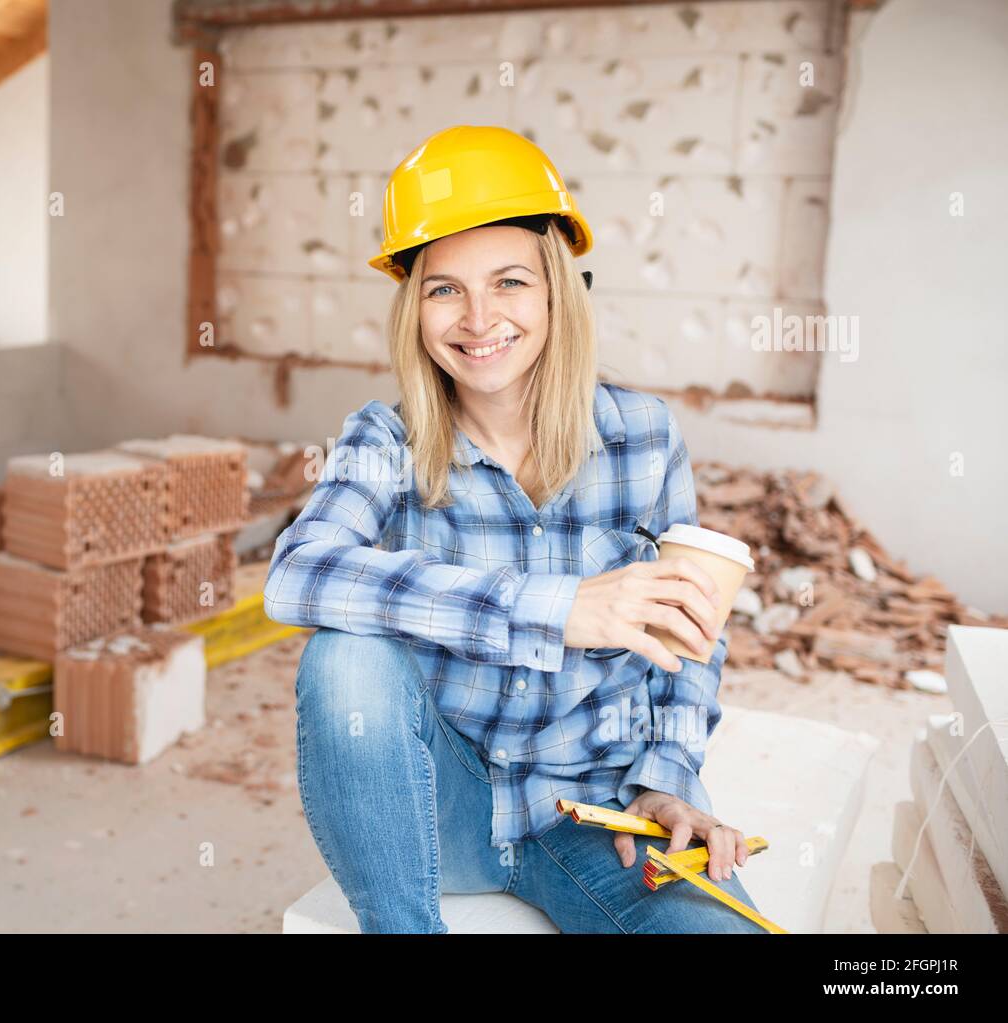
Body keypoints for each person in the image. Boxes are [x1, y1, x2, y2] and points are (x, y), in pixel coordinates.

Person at [263, 125, 766, 934]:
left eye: (508, 282)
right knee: (345, 655)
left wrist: (667, 777)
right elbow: (298, 573)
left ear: (556, 291)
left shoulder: (643, 435)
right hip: (446, 809)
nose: (479, 317)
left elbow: (691, 633)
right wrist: (556, 606)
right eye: (443, 289)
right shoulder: (384, 442)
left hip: (599, 814)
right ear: (414, 307)